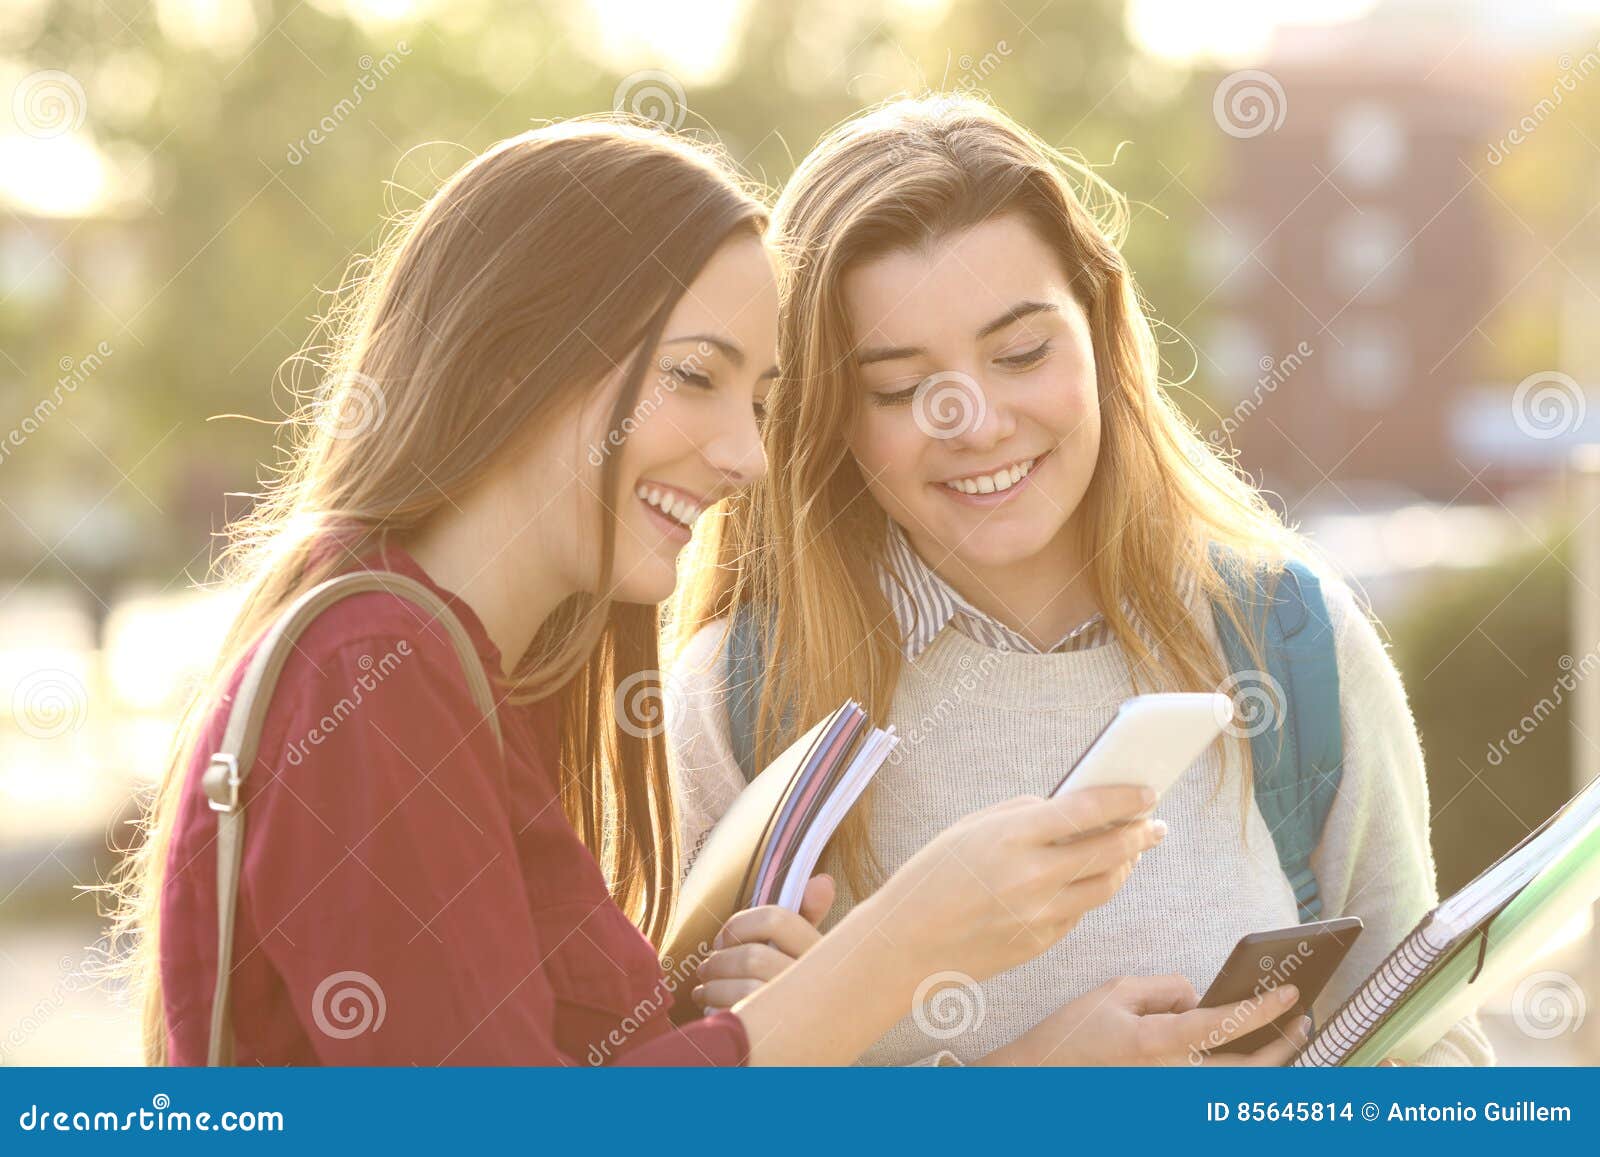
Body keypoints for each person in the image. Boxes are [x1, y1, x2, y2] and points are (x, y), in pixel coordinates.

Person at [111, 118, 1219, 1066]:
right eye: (695, 376)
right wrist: (908, 943)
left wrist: (733, 1010)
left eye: (764, 403)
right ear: (512, 360)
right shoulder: (373, 668)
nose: (745, 456)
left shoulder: (477, 673)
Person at [665, 95, 1493, 1066]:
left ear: (1100, 330)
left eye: (1020, 352)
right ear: (828, 411)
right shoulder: (742, 699)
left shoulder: (1289, 642)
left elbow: (1438, 1066)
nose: (973, 420)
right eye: (896, 385)